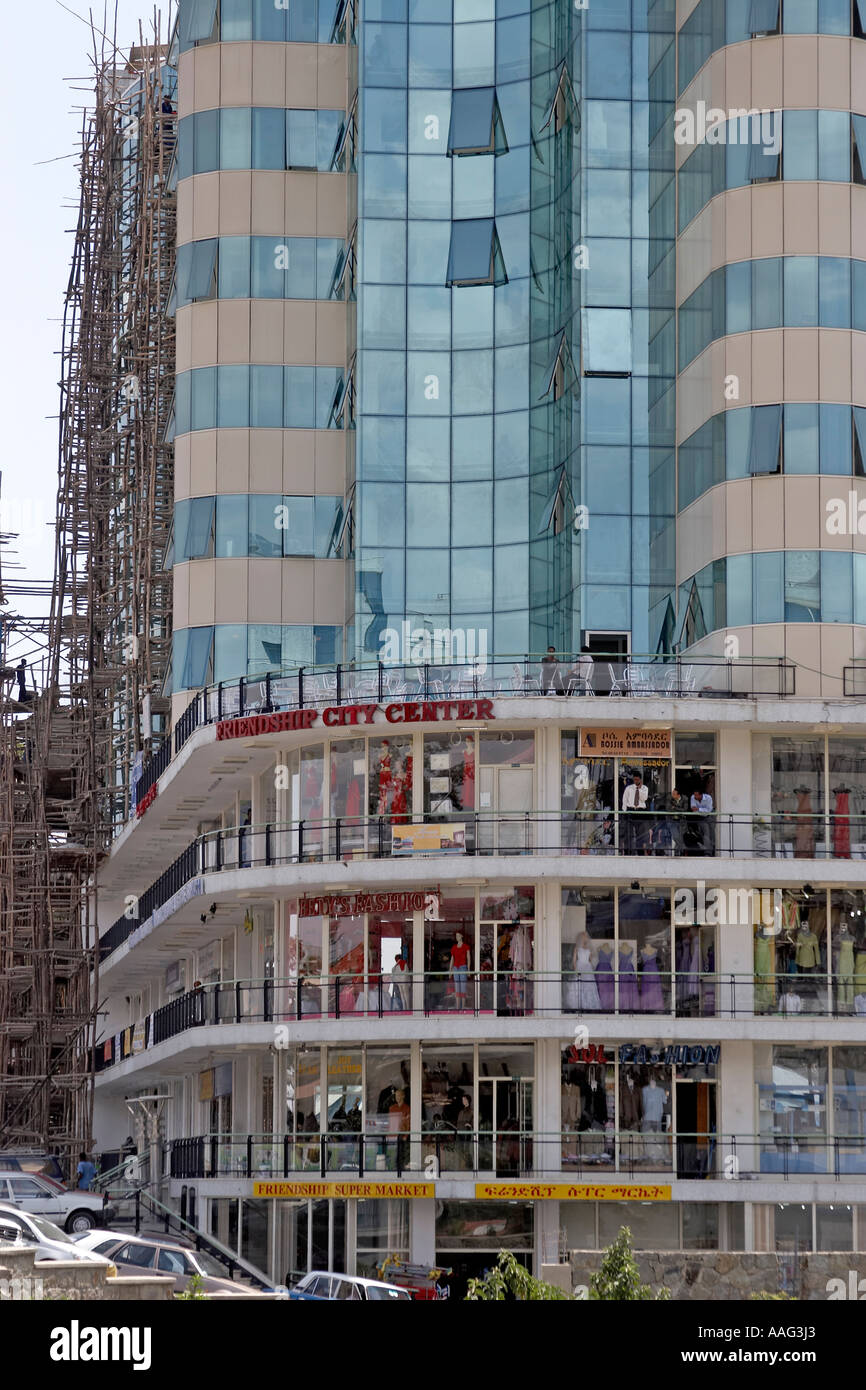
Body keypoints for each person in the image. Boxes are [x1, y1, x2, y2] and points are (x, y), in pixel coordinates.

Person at [621, 770, 649, 853]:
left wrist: (639, 789)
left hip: (640, 811)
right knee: (628, 833)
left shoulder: (645, 788)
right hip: (631, 811)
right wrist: (624, 812)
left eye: (637, 779)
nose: (636, 781)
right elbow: (624, 800)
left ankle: (639, 852)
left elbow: (644, 798)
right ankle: (628, 851)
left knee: (640, 834)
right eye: (634, 779)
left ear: (640, 780)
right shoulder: (629, 788)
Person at [655, 786, 687, 855]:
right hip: (671, 821)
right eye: (672, 793)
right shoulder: (669, 797)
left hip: (681, 821)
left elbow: (685, 810)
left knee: (680, 838)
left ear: (679, 795)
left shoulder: (685, 798)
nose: (672, 795)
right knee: (676, 837)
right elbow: (668, 809)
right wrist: (679, 809)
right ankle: (682, 849)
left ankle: (677, 853)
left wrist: (674, 808)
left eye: (674, 794)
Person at [690, 785, 714, 855]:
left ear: (701, 795)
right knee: (705, 834)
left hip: (709, 817)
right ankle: (707, 852)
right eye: (694, 795)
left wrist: (699, 809)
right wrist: (702, 810)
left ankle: (711, 851)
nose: (695, 797)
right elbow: (693, 810)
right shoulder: (693, 797)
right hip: (700, 817)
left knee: (711, 835)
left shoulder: (708, 798)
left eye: (697, 795)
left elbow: (708, 810)